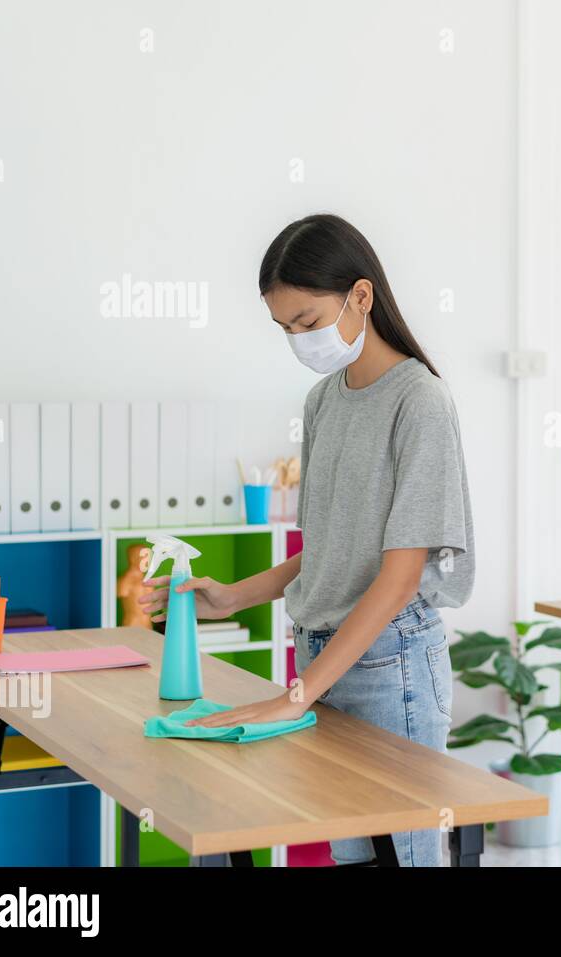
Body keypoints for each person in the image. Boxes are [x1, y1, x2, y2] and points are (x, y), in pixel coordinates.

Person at [140, 213, 474, 867]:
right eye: (285, 328)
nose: (299, 339)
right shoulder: (323, 401)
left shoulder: (420, 402)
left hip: (389, 666)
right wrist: (233, 597)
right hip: (325, 653)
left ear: (360, 295)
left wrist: (294, 694)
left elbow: (399, 573)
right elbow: (330, 544)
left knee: (398, 858)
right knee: (355, 857)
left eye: (307, 321)